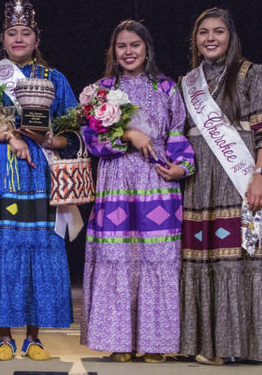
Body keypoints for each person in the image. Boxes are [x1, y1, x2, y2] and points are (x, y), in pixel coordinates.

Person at [0, 0, 78, 361]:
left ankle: (34, 337)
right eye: (12, 33)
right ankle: (4, 337)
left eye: (26, 33)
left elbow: (73, 135)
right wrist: (7, 135)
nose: (19, 39)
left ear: (36, 40)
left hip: (38, 173)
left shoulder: (55, 79)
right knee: (1, 250)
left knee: (36, 250)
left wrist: (46, 138)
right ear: (3, 39)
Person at [179, 8, 262, 364]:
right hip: (198, 184)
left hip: (240, 180)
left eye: (218, 32)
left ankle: (244, 346)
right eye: (203, 33)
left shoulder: (251, 74)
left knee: (242, 259)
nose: (210, 38)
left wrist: (261, 175)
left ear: (230, 36)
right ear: (195, 40)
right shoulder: (188, 82)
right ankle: (205, 346)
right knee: (204, 260)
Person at [80, 20, 194, 363]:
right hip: (116, 182)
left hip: (157, 181)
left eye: (135, 45)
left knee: (156, 258)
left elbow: (177, 133)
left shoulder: (166, 88)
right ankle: (120, 341)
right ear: (113, 52)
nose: (128, 52)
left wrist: (182, 168)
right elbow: (90, 139)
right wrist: (129, 135)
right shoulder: (99, 90)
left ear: (147, 49)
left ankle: (155, 342)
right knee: (118, 258)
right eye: (121, 46)